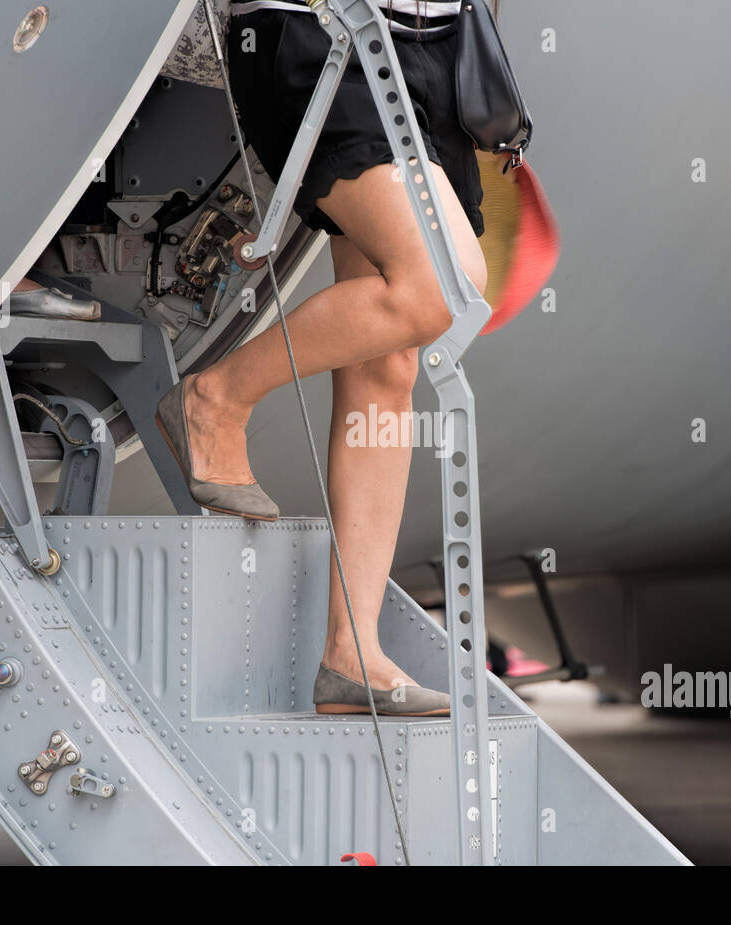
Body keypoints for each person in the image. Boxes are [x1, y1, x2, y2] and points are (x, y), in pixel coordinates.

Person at [154, 0, 487, 716]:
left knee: (389, 362)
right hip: (325, 29)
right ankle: (216, 396)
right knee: (438, 285)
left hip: (438, 45)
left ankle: (352, 655)